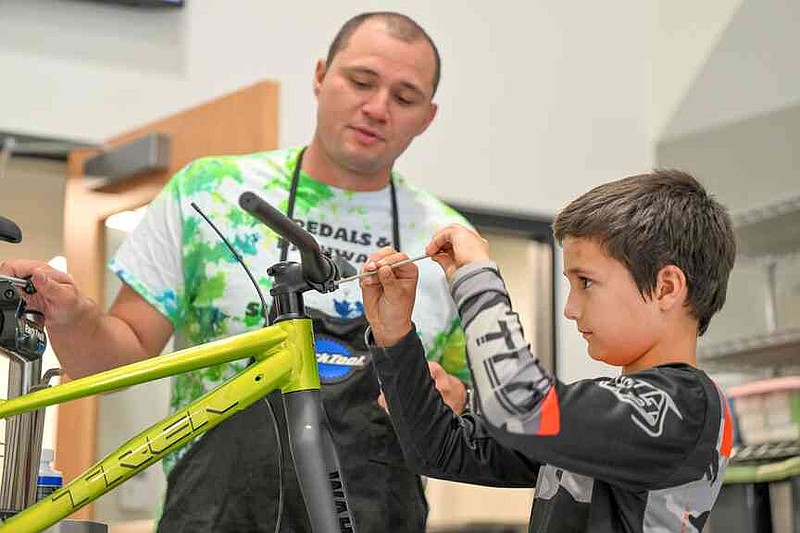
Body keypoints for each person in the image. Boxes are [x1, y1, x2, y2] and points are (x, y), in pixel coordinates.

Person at [1, 11, 472, 532]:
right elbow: (116, 356)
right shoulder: (209, 194)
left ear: (427, 117)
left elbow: (475, 414)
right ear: (320, 76)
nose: (377, 108)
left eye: (404, 98)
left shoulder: (447, 243)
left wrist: (452, 400)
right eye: (361, 81)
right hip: (214, 513)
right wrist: (74, 316)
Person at [361, 169, 737, 532]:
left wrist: (476, 276)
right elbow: (439, 449)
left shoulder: (685, 407)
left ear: (666, 288)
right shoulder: (614, 416)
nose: (570, 309)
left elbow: (519, 406)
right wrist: (394, 334)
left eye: (586, 282)